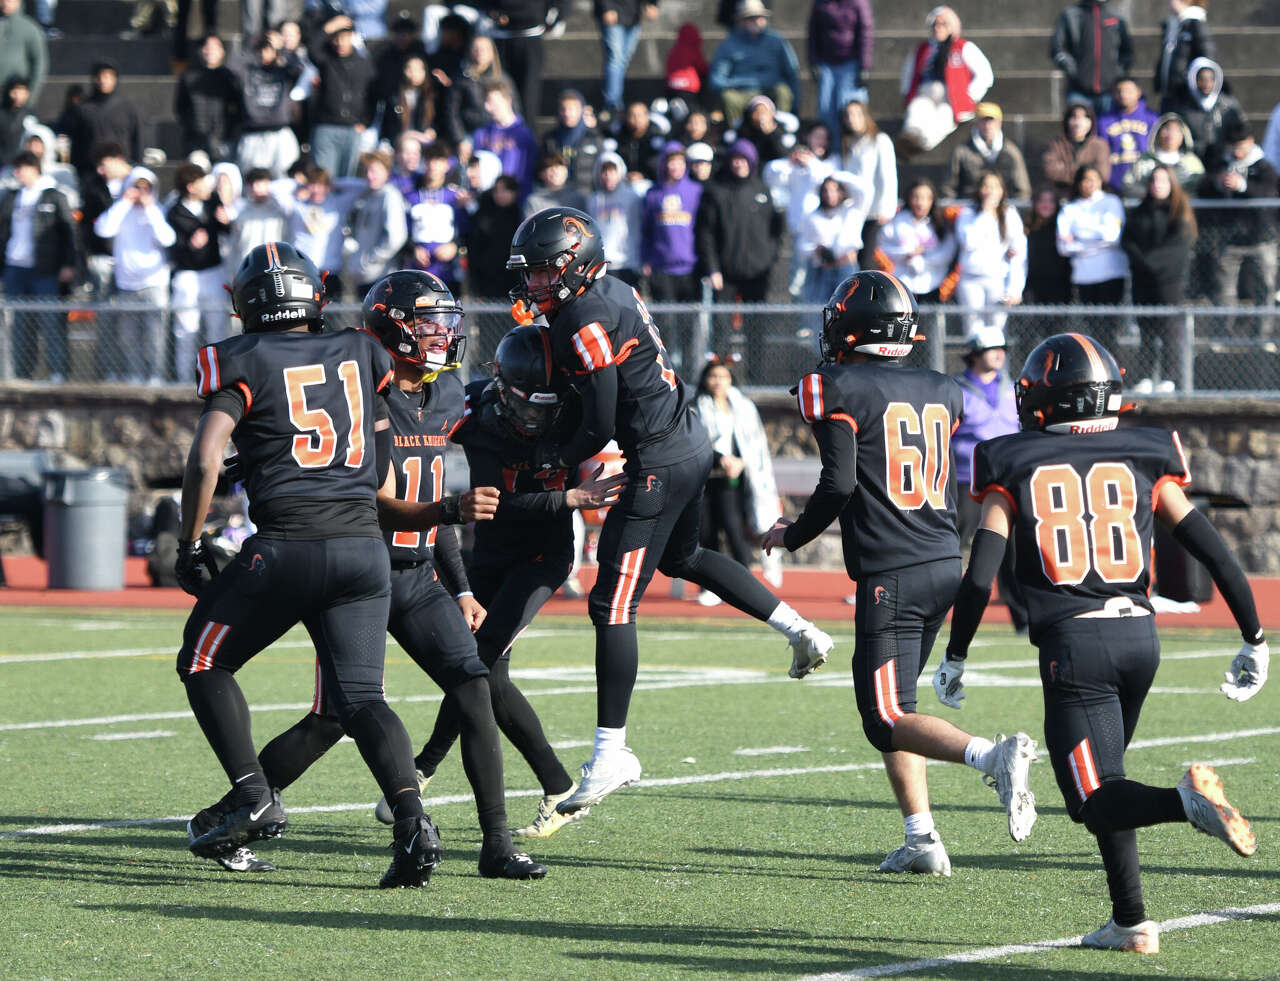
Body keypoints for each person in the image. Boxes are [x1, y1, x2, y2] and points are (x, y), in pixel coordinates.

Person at [942, 330, 1265, 952]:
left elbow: (981, 571)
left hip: (1076, 647)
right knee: (1111, 780)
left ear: (1042, 399)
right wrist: (1253, 635)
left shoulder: (1012, 457)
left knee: (1093, 798)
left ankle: (1185, 803)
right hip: (1141, 638)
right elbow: (1211, 548)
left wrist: (956, 653)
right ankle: (1131, 920)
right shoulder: (1145, 449)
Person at [507, 206, 834, 814]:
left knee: (611, 601)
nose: (535, 285)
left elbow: (602, 419)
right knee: (684, 556)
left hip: (658, 455)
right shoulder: (614, 289)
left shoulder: (586, 316)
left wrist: (554, 457)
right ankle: (801, 628)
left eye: (545, 274)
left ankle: (611, 752)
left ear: (575, 268)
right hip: (685, 440)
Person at [174, 244, 479, 889]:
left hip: (287, 546)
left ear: (248, 302)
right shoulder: (363, 352)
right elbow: (370, 464)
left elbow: (205, 460)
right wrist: (436, 511)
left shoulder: (237, 358)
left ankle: (251, 792)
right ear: (315, 295)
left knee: (203, 661)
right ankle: (413, 819)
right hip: (367, 551)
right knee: (363, 698)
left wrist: (189, 543)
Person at [236, 271, 548, 882]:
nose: (443, 333)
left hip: (419, 572)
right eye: (429, 321)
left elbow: (440, 500)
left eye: (445, 321)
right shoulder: (358, 390)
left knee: (474, 688)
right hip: (360, 572)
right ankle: (247, 803)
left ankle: (497, 845)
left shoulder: (451, 394)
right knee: (335, 715)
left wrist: (460, 586)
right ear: (393, 325)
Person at [762, 269, 1038, 876]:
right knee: (902, 707)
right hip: (943, 557)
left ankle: (992, 757)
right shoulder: (944, 387)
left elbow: (837, 482)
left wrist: (793, 535)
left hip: (894, 571)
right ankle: (921, 838)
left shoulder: (834, 384)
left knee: (883, 718)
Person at [412, 323, 628, 836]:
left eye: (545, 409)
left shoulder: (578, 411)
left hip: (542, 556)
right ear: (499, 382)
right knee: (487, 671)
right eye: (527, 405)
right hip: (488, 551)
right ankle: (554, 784)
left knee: (477, 661)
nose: (535, 419)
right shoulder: (471, 411)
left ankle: (422, 767)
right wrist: (569, 498)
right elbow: (486, 500)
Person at [950, 325, 1025, 632]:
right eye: (992, 349)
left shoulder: (1014, 387)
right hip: (967, 478)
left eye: (1002, 349)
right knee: (948, 544)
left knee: (1013, 552)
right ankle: (930, 608)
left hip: (1007, 481)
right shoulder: (956, 388)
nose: (999, 354)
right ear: (975, 354)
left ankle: (1024, 619)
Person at [695, 139, 784, 380]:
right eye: (735, 159)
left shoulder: (762, 190)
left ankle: (757, 379)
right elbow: (706, 233)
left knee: (756, 329)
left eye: (744, 160)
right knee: (722, 330)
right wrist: (712, 268)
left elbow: (776, 230)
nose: (739, 164)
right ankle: (721, 379)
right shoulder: (716, 190)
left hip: (757, 273)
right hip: (725, 274)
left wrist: (770, 259)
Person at [693, 355, 779, 599]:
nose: (718, 382)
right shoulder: (696, 406)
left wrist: (741, 462)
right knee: (706, 531)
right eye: (713, 377)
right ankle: (709, 586)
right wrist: (719, 458)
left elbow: (754, 443)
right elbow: (695, 442)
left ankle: (745, 585)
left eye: (723, 377)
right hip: (704, 477)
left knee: (733, 529)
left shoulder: (743, 406)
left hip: (733, 479)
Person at [93, 166, 175, 383]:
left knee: (154, 337)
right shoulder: (121, 211)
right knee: (128, 337)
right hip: (126, 284)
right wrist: (125, 201)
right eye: (136, 186)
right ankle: (135, 374)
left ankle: (156, 376)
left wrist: (150, 208)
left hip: (154, 283)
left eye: (145, 187)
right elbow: (103, 229)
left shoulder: (158, 211)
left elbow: (168, 239)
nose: (140, 191)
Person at [0, 149, 76, 380]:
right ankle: (22, 373)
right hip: (15, 267)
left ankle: (58, 372)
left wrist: (68, 263)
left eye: (21, 169)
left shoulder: (53, 196)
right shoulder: (13, 197)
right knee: (20, 325)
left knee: (50, 321)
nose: (17, 174)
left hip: (45, 269)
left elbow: (68, 233)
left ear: (33, 169)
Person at [1198, 121, 1278, 331]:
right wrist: (1217, 183)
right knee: (1224, 290)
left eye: (1241, 145)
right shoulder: (1221, 164)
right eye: (1233, 146)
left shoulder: (1264, 166)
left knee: (1266, 287)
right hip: (1229, 238)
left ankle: (1263, 334)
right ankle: (1224, 334)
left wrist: (1242, 186)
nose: (1237, 151)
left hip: (1262, 237)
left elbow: (1268, 192)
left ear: (1251, 142)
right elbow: (1203, 188)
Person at [1122, 165, 1196, 392]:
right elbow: (1128, 241)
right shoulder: (1139, 211)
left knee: (1169, 332)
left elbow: (1178, 247)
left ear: (1171, 184)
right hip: (1142, 280)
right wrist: (1142, 263)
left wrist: (1152, 263)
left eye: (1163, 181)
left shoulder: (1179, 212)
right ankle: (1145, 376)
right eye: (1154, 181)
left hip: (1169, 283)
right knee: (1146, 332)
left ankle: (1169, 378)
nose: (1157, 185)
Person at [166, 162, 231, 382]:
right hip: (187, 276)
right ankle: (184, 378)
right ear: (191, 186)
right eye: (202, 183)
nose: (207, 187)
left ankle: (220, 378)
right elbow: (172, 246)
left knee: (218, 328)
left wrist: (226, 221)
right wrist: (189, 246)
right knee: (186, 329)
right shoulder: (175, 211)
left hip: (213, 271)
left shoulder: (212, 202)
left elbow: (226, 229)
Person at [899, 6, 992, 154]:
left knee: (943, 115)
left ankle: (923, 142)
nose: (938, 28)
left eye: (943, 24)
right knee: (917, 109)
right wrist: (906, 93)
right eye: (935, 24)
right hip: (925, 93)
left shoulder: (963, 47)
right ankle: (910, 138)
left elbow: (985, 74)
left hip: (952, 100)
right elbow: (907, 74)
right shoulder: (922, 50)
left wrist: (971, 95)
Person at [1056, 164, 1127, 352]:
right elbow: (1064, 246)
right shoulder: (1070, 209)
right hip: (1084, 276)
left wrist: (1079, 235)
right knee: (1092, 328)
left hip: (1111, 274)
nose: (1090, 184)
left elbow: (1112, 236)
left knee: (1110, 328)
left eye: (1093, 179)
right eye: (1085, 180)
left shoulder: (1112, 202)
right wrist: (1097, 236)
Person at [954, 170, 1026, 339]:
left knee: (997, 332)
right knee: (973, 330)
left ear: (1002, 190)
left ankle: (999, 366)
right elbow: (968, 242)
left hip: (998, 280)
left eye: (995, 186)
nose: (990, 191)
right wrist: (985, 213)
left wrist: (1015, 289)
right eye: (986, 186)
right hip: (970, 280)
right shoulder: (968, 213)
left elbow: (1019, 254)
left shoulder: (1010, 214)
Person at [707, 0, 801, 123]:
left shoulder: (777, 41)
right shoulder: (729, 45)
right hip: (741, 93)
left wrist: (796, 105)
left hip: (770, 89)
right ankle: (737, 134)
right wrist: (739, 83)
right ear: (741, 21)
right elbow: (716, 79)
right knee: (729, 98)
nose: (757, 21)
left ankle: (780, 132)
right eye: (751, 18)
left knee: (783, 91)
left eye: (760, 17)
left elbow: (792, 71)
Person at [832, 99, 896, 272]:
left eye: (856, 114)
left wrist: (887, 209)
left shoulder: (879, 140)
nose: (852, 119)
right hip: (854, 212)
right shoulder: (848, 144)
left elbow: (887, 176)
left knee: (869, 260)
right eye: (848, 115)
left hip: (875, 212)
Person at [309, 17, 376, 180]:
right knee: (323, 177)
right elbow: (312, 48)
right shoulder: (327, 60)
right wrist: (329, 27)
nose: (340, 43)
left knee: (348, 179)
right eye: (336, 38)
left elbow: (373, 94)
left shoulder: (364, 64)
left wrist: (366, 121)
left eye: (344, 38)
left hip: (352, 128)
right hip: (326, 126)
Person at [642, 142, 703, 309]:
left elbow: (703, 229)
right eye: (672, 161)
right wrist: (646, 259)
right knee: (665, 323)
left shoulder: (696, 191)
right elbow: (646, 230)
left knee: (688, 323)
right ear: (664, 164)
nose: (676, 166)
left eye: (680, 162)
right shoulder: (653, 193)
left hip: (690, 268)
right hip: (661, 268)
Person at [233, 32, 303, 178]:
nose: (265, 54)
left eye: (269, 50)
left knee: (284, 181)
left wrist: (282, 48)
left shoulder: (284, 72)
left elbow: (299, 67)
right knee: (251, 180)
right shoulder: (248, 72)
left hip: (280, 134)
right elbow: (232, 66)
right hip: (252, 134)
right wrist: (254, 42)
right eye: (262, 49)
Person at [405, 144, 468, 295]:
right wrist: (413, 249)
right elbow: (402, 232)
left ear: (447, 165)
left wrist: (455, 246)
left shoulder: (456, 197)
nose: (433, 165)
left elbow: (467, 232)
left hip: (449, 274)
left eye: (438, 160)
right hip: (417, 274)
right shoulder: (410, 197)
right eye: (428, 160)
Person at [878, 178, 954, 303]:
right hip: (903, 284)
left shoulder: (940, 223)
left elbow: (947, 252)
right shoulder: (897, 221)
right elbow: (883, 246)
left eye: (925, 198)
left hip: (932, 283)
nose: (920, 202)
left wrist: (924, 257)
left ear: (932, 200)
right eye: (916, 197)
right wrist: (906, 254)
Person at [343, 150, 408, 298]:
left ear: (387, 172)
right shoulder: (367, 195)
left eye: (374, 170)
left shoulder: (390, 195)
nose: (369, 175)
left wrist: (371, 260)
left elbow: (396, 237)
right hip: (364, 276)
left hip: (381, 277)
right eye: (366, 170)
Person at [1051, 0, 1133, 116]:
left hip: (1109, 92)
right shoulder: (1070, 15)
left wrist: (1116, 73)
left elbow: (1127, 52)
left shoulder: (1116, 17)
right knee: (1078, 131)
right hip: (1078, 91)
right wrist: (1074, 72)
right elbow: (1058, 49)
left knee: (1106, 133)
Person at [796, 172, 866, 305]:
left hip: (847, 268)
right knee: (821, 310)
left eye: (834, 190)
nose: (830, 194)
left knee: (848, 308)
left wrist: (838, 175)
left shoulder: (852, 210)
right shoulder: (813, 216)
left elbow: (865, 189)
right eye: (826, 190)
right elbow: (802, 245)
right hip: (822, 270)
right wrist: (816, 250)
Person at [808, 0, 873, 139]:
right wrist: (813, 62)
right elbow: (813, 33)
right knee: (826, 111)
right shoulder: (820, 3)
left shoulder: (859, 3)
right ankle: (833, 152)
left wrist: (865, 66)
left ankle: (855, 148)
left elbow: (865, 32)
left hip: (851, 63)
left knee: (852, 109)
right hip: (826, 64)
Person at [943, 102, 1031, 203]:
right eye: (983, 121)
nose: (988, 126)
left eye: (992, 121)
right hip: (970, 209)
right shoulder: (961, 152)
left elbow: (1022, 189)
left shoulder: (1011, 152)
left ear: (999, 123)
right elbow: (948, 189)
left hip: (1003, 211)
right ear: (976, 123)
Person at [489, 0, 561, 123]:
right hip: (501, 38)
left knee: (529, 95)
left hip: (530, 37)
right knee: (502, 92)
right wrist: (493, 12)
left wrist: (555, 18)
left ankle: (527, 136)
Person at [67, 62, 142, 178]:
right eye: (99, 76)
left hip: (121, 171)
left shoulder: (127, 108)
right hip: (91, 171)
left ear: (115, 79)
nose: (103, 81)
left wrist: (136, 167)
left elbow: (136, 140)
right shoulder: (83, 109)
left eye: (107, 76)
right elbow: (77, 144)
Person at [176, 34, 241, 162]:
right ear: (200, 51)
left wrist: (228, 131)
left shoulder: (229, 78)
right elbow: (180, 107)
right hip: (195, 141)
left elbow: (236, 107)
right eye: (206, 47)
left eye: (214, 47)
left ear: (222, 52)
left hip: (223, 139)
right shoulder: (189, 77)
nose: (209, 51)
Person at [471, 78, 538, 199]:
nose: (487, 107)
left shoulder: (523, 135)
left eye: (492, 102)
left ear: (507, 100)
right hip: (487, 200)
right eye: (485, 102)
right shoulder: (481, 134)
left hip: (514, 200)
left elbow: (527, 173)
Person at [1168, 58, 1243, 165]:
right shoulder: (1183, 108)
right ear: (1193, 80)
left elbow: (1240, 132)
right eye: (1202, 79)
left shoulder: (1229, 105)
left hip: (1224, 161)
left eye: (1210, 79)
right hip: (1193, 161)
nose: (1206, 84)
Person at [588, 151, 644, 288]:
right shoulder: (593, 200)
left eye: (612, 171)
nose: (608, 176)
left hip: (627, 263)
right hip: (603, 265)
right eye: (604, 172)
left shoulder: (633, 197)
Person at [464, 175, 523, 299]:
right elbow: (475, 247)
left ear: (514, 193)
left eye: (505, 190)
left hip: (512, 280)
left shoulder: (520, 217)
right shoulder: (483, 215)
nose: (500, 195)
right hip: (486, 280)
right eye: (496, 191)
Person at [597, 0, 659, 116]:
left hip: (633, 14)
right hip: (613, 11)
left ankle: (616, 102)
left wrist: (652, 3)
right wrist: (607, 7)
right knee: (615, 58)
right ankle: (613, 105)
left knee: (622, 60)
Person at [1097, 77, 1158, 190]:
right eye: (1119, 91)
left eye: (1128, 91)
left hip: (1145, 184)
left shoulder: (1152, 119)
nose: (1123, 95)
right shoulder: (1103, 121)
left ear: (1138, 92)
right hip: (1114, 185)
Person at [1154, 0, 1213, 113]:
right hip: (1171, 94)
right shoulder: (1174, 24)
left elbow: (1208, 58)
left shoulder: (1195, 23)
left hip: (1187, 96)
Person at [1042, 103, 1111, 199]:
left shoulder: (1100, 145)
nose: (1078, 123)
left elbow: (1103, 174)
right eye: (1074, 117)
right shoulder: (1056, 145)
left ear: (1091, 122)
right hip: (1063, 196)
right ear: (1067, 121)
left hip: (1092, 198)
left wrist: (1066, 168)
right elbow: (1051, 172)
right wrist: (1086, 175)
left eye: (1084, 118)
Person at [1122, 112, 1203, 193]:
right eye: (1167, 129)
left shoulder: (1192, 163)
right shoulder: (1143, 161)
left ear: (1184, 135)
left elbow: (1199, 187)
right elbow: (1128, 185)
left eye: (1177, 130)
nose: (1171, 135)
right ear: (1157, 132)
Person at [541, 88, 602, 193]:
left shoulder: (594, 138)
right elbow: (541, 169)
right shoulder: (550, 140)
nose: (567, 113)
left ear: (581, 110)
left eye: (572, 109)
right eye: (563, 109)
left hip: (586, 197)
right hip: (558, 198)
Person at [1024, 187, 1072, 310]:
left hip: (1060, 286)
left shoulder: (1063, 227)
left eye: (1050, 201)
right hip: (1032, 287)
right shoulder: (1026, 228)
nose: (1046, 205)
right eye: (1042, 201)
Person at [375, 54, 436, 149]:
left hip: (424, 145)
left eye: (419, 69)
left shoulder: (431, 95)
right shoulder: (394, 96)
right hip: (399, 144)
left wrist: (432, 131)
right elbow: (387, 125)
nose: (414, 73)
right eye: (410, 69)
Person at [0, 0, 47, 102]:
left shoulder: (30, 28)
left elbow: (39, 62)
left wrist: (30, 96)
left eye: (9, 0)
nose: (5, 3)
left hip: (16, 97)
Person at [525, 151, 588, 218]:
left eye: (559, 165)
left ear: (566, 171)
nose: (555, 170)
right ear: (541, 174)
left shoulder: (579, 197)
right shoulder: (533, 202)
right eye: (549, 166)